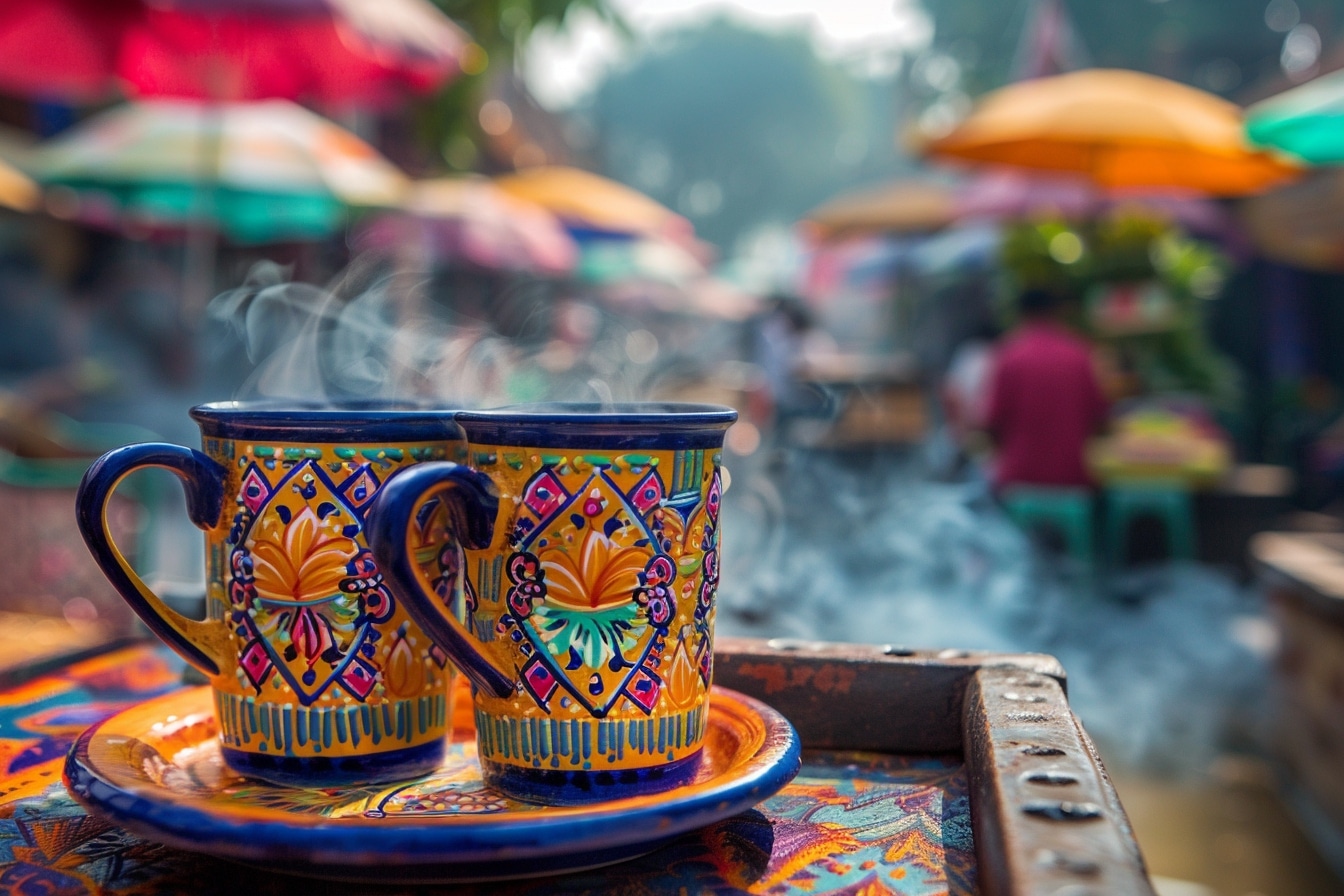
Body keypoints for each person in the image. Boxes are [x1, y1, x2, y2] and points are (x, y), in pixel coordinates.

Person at [984, 287, 1108, 492]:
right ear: (1056, 311)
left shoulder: (1009, 355)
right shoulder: (1079, 352)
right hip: (1073, 476)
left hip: (1020, 479)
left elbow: (993, 422)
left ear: (1020, 314)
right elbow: (1099, 416)